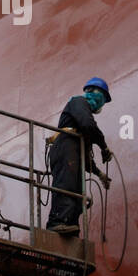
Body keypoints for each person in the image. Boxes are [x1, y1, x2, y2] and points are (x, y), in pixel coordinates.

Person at [46, 77, 113, 234]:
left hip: (72, 150)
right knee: (66, 184)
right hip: (64, 147)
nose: (101, 101)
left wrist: (98, 173)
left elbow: (86, 156)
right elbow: (88, 125)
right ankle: (56, 222)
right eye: (101, 96)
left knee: (77, 194)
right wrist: (103, 147)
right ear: (90, 91)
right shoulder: (78, 102)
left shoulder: (81, 132)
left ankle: (69, 227)